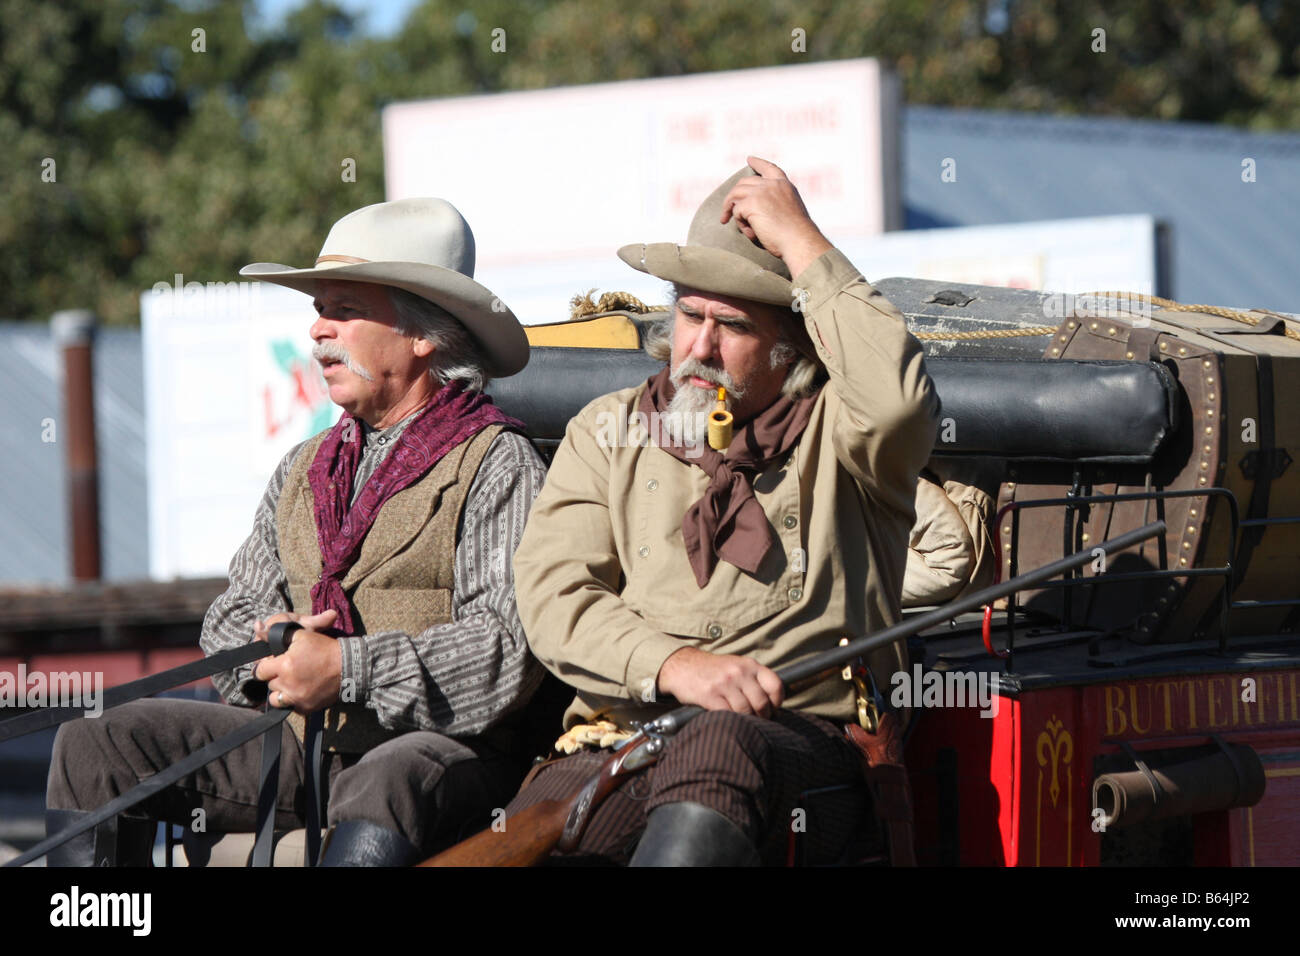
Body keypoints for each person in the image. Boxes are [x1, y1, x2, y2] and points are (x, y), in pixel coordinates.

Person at [45, 198, 549, 866]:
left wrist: (348, 669)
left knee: (386, 777)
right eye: (318, 308)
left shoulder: (497, 461)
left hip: (451, 752)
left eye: (344, 308)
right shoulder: (305, 467)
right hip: (305, 742)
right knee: (98, 742)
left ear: (424, 334)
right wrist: (268, 652)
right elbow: (231, 613)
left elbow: (504, 650)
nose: (318, 330)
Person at [504, 158, 940, 865]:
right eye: (689, 315)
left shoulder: (851, 433)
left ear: (793, 346)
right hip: (619, 741)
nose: (700, 348)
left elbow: (896, 400)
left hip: (800, 754)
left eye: (731, 325)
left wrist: (805, 244)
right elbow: (555, 595)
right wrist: (673, 663)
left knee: (718, 744)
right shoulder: (604, 430)